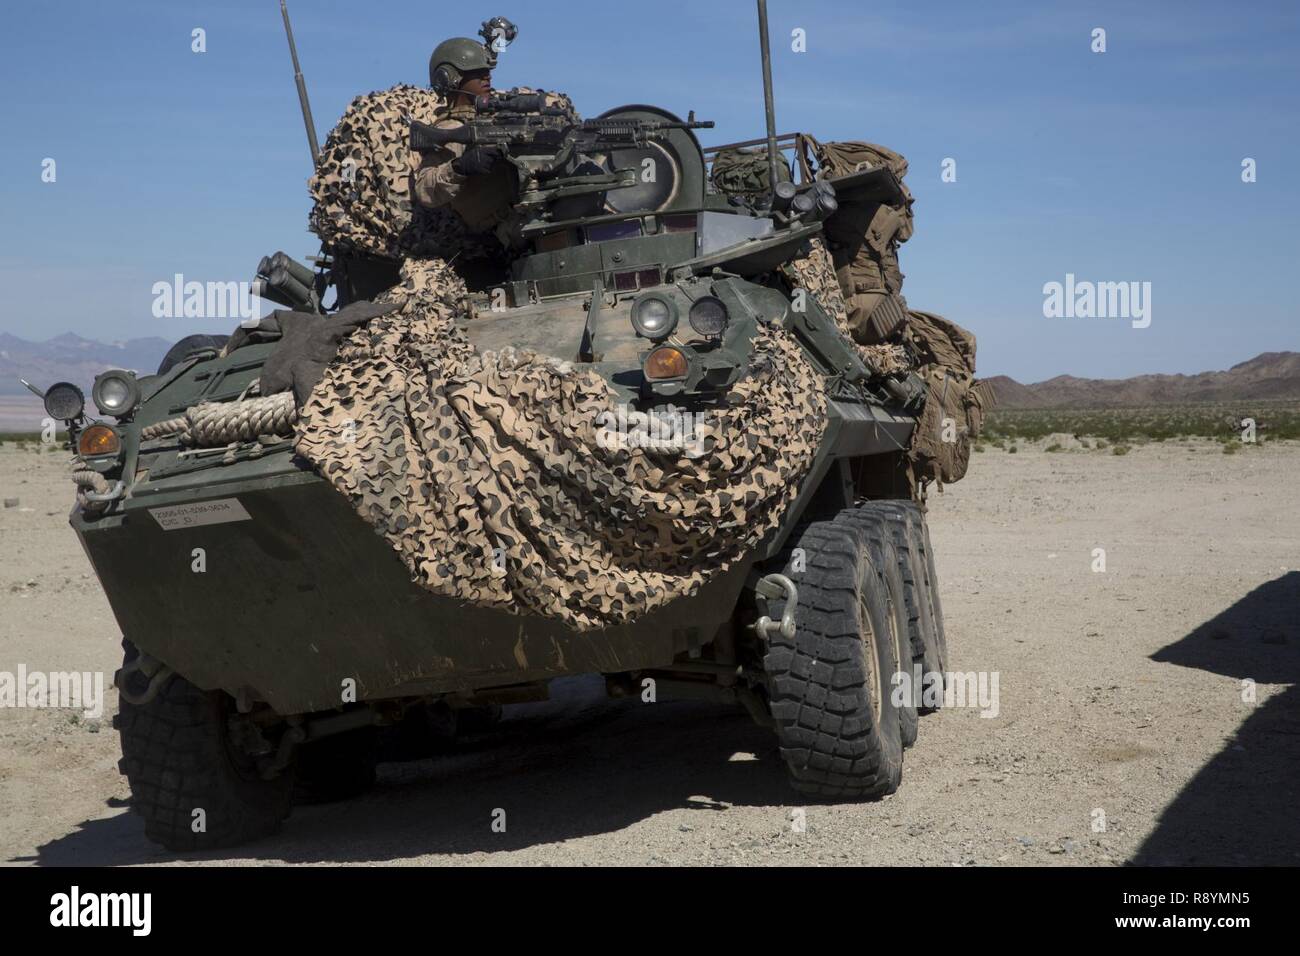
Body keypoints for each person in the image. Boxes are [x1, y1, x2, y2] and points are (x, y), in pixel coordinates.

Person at [412, 35, 514, 234]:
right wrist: (461, 167)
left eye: (487, 72)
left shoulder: (500, 117)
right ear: (449, 79)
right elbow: (425, 189)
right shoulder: (451, 129)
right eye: (477, 73)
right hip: (499, 231)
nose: (487, 78)